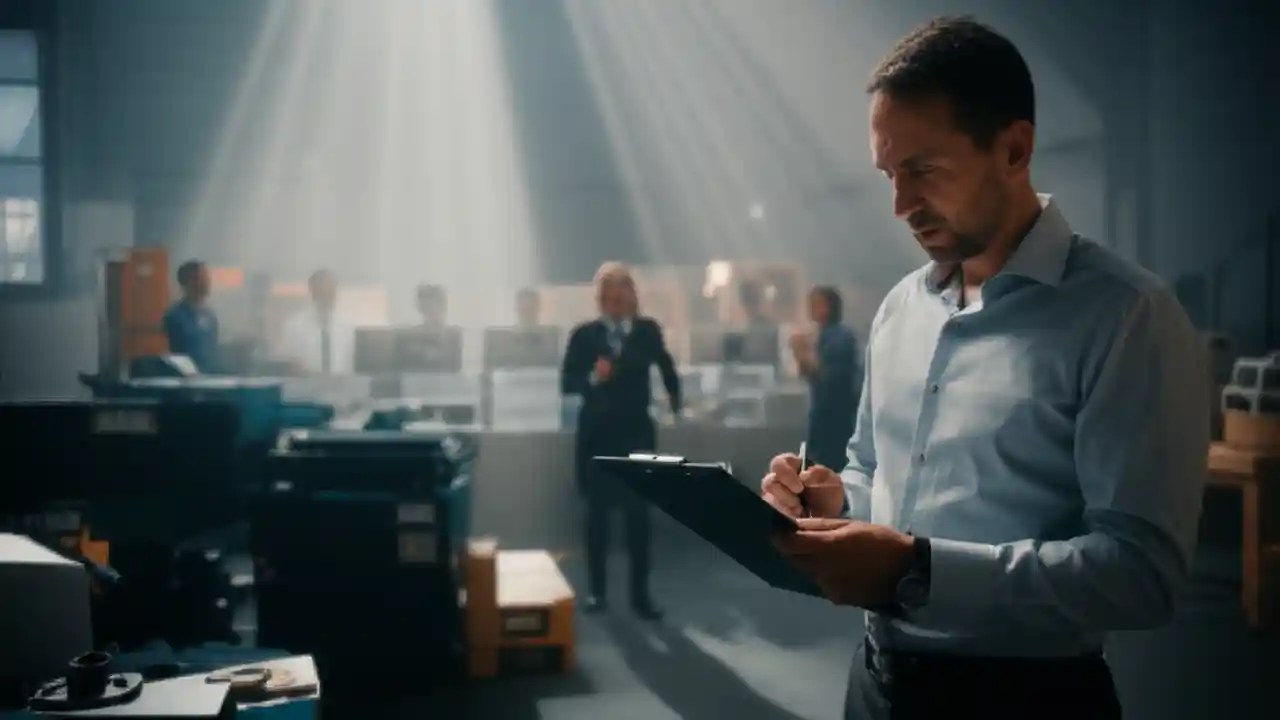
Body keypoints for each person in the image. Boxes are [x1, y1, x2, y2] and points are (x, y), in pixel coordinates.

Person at [759, 17, 1207, 719]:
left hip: (1027, 700)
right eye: (889, 174)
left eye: (923, 170)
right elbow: (870, 469)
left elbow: (1143, 575)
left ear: (1015, 149)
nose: (900, 205)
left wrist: (915, 569)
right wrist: (835, 504)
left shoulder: (1127, 316)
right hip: (873, 684)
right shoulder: (899, 309)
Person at [561, 262, 680, 620]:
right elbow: (567, 381)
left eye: (620, 294)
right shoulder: (584, 335)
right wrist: (593, 379)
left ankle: (640, 596)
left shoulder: (646, 331)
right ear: (600, 299)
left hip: (636, 434)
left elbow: (666, 366)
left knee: (638, 519)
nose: (614, 302)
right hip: (597, 437)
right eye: (607, 296)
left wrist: (676, 402)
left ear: (632, 296)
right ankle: (597, 592)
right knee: (596, 518)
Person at [790, 286, 860, 472]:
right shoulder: (821, 336)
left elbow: (828, 377)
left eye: (815, 304)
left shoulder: (841, 337)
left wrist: (803, 351)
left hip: (836, 419)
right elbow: (809, 374)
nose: (810, 309)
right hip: (820, 416)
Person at [278, 269, 355, 375]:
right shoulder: (294, 327)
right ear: (312, 291)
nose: (328, 295)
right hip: (306, 388)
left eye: (331, 291)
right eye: (323, 291)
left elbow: (352, 366)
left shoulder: (348, 328)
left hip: (341, 388)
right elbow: (284, 365)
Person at [162, 260, 219, 373]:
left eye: (207, 278)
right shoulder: (175, 315)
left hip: (210, 376)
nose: (207, 282)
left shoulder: (210, 315)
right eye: (202, 278)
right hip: (184, 377)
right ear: (190, 282)